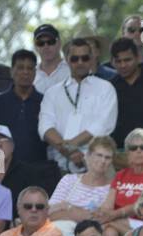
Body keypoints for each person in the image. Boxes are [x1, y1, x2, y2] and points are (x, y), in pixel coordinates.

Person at [38, 38, 117, 176]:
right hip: (60, 167)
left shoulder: (105, 88)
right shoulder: (53, 92)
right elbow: (45, 126)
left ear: (92, 59)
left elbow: (104, 125)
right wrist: (69, 152)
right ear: (67, 60)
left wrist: (72, 145)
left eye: (85, 58)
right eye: (75, 59)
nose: (80, 63)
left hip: (96, 166)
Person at [0, 52, 53, 201]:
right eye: (20, 67)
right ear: (11, 71)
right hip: (5, 175)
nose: (25, 72)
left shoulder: (45, 102)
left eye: (30, 68)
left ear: (35, 72)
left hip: (37, 173)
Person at [98, 130, 143, 236]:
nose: (138, 151)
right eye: (133, 148)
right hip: (119, 221)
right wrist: (105, 214)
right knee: (109, 233)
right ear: (127, 153)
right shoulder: (121, 175)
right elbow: (108, 204)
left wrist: (115, 215)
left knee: (110, 227)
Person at [46, 135, 115, 236]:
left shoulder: (112, 188)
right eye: (99, 155)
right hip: (54, 230)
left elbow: (99, 219)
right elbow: (48, 212)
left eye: (107, 157)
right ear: (88, 155)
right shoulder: (69, 180)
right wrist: (74, 213)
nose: (102, 161)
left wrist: (67, 208)